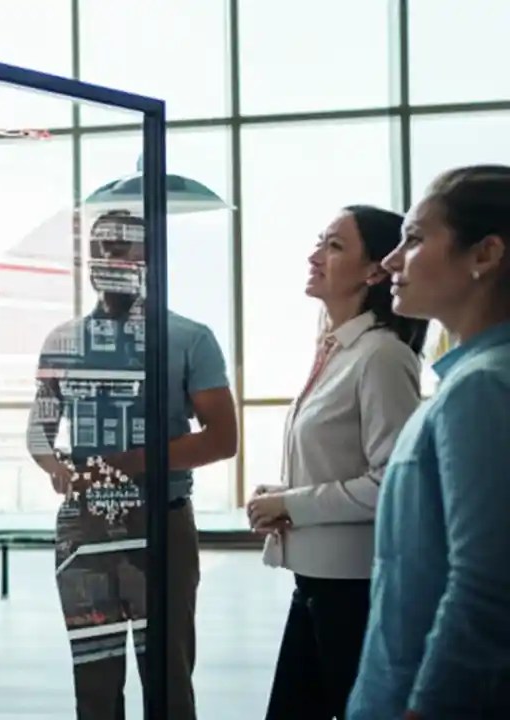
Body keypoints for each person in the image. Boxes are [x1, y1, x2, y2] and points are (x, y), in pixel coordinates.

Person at [27, 210, 238, 720]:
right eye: (99, 247)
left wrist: (129, 463)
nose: (108, 256)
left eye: (121, 246)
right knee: (93, 683)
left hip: (161, 520)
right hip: (86, 522)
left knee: (167, 676)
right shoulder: (63, 341)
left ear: (148, 258)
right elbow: (39, 431)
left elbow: (223, 438)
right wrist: (57, 466)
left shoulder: (188, 338)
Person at [246, 206, 427, 719]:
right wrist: (284, 496)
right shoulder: (338, 349)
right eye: (320, 242)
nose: (314, 256)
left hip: (353, 591)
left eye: (334, 245)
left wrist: (294, 505)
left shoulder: (381, 356)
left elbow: (393, 482)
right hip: (318, 584)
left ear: (375, 271)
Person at [348, 165, 510, 719]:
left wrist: (426, 707)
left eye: (413, 240)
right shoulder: (471, 378)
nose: (391, 261)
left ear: (485, 253)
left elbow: (487, 583)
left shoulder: (483, 386)